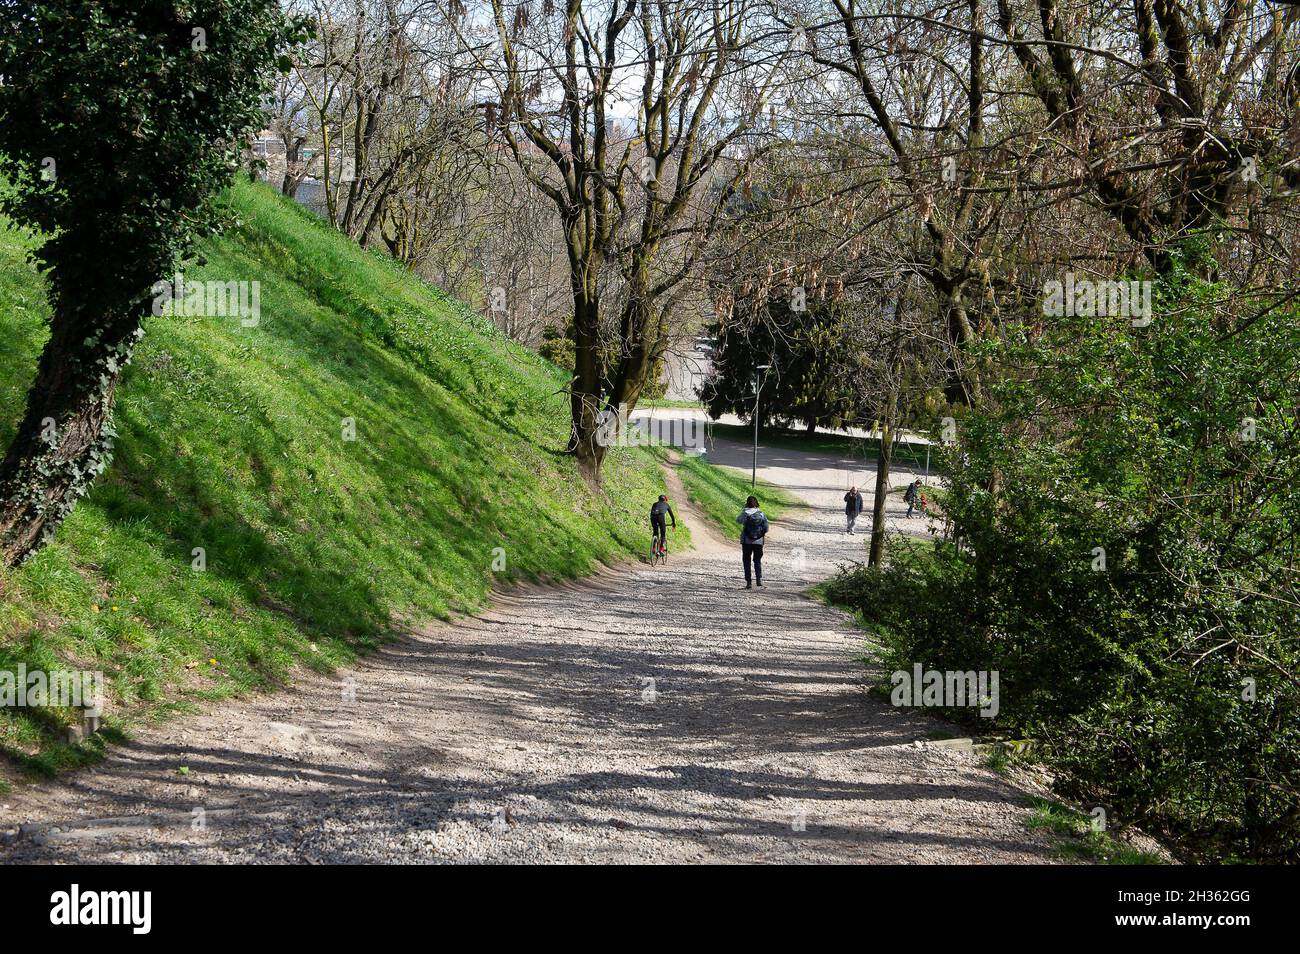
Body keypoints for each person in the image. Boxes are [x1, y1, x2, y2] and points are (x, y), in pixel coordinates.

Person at [736, 495, 769, 589]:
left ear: (747, 503)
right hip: (758, 542)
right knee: (757, 560)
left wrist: (744, 512)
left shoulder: (745, 513)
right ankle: (759, 580)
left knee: (746, 561)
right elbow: (766, 528)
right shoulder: (761, 514)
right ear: (756, 503)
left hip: (746, 541)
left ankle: (749, 582)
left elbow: (738, 520)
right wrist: (759, 534)